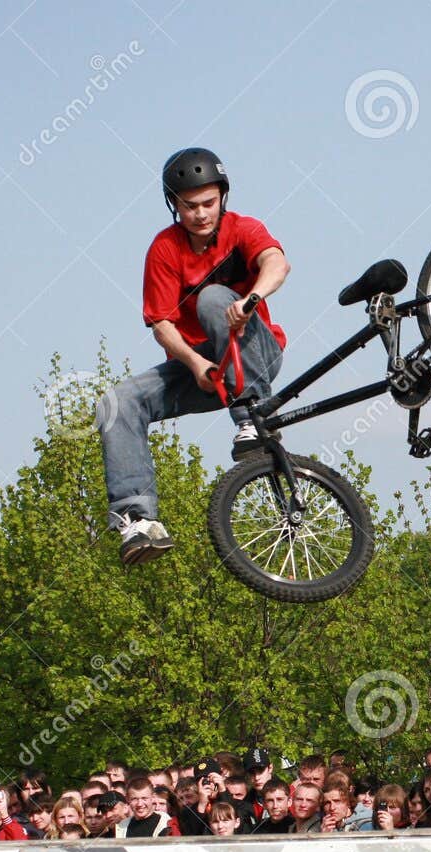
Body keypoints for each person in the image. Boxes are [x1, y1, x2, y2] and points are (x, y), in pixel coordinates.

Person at [102, 146, 290, 565]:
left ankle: (249, 420)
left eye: (209, 203)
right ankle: (139, 522)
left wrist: (251, 300)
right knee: (118, 402)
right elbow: (162, 325)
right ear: (174, 205)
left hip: (255, 353)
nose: (201, 214)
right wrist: (196, 364)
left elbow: (277, 262)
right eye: (189, 207)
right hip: (204, 368)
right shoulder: (165, 249)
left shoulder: (243, 228)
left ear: (223, 197)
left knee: (212, 300)